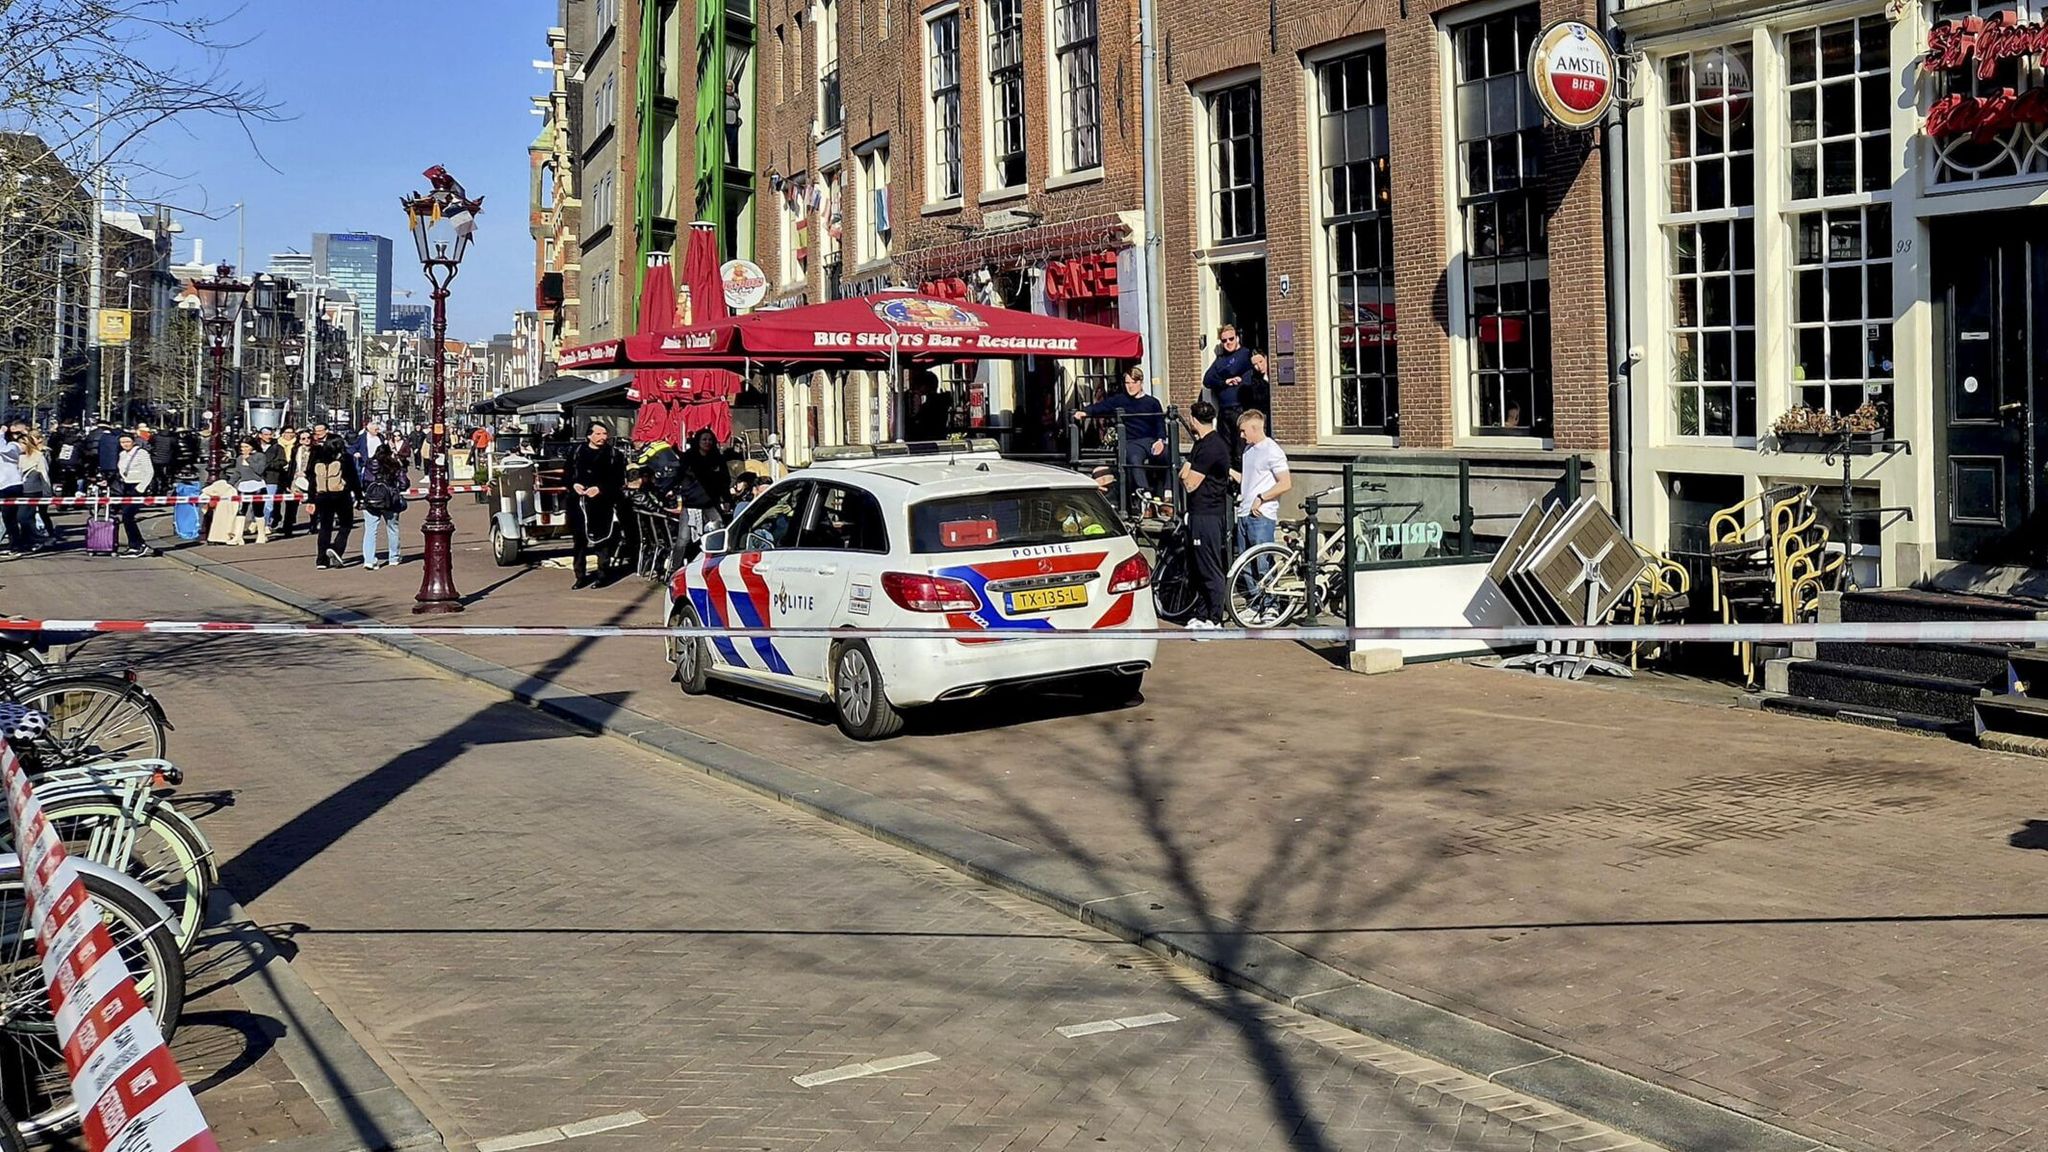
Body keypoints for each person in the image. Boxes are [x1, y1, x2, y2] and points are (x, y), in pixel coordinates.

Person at [1072, 365, 1167, 516]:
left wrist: (1161, 440)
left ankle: (1166, 497)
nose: (1130, 387)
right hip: (1132, 441)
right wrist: (1085, 412)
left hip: (1151, 441)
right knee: (1134, 458)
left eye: (1133, 383)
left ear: (1141, 382)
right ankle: (1146, 499)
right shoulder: (1120, 400)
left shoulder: (1152, 402)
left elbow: (1159, 422)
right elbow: (1102, 406)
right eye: (1127, 383)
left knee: (1169, 457)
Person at [1231, 410, 1291, 620]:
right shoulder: (1248, 450)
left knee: (1262, 561)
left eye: (1244, 431)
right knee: (1244, 562)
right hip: (1244, 512)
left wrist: (1262, 498)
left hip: (1261, 514)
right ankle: (1256, 603)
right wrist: (1227, 470)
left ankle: (1272, 605)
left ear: (1255, 428)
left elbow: (1285, 483)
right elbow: (1248, 480)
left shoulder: (1272, 451)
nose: (1241, 436)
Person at [1177, 401, 1232, 632]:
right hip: (1198, 513)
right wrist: (1187, 473)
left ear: (1193, 420)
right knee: (1197, 567)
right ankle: (1201, 613)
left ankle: (1215, 618)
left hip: (1208, 514)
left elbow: (1188, 483)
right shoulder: (1200, 444)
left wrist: (1187, 474)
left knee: (1209, 567)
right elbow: (1184, 473)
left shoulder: (1212, 447)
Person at [565, 422, 624, 588]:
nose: (602, 437)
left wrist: (600, 489)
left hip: (602, 503)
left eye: (604, 434)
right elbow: (567, 475)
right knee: (579, 542)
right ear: (589, 435)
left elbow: (619, 480)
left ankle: (602, 575)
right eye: (598, 434)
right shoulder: (576, 452)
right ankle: (580, 576)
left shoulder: (615, 455)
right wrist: (574, 485)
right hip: (579, 503)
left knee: (603, 540)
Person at [307, 428, 359, 569]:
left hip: (322, 496)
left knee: (325, 527)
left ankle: (321, 560)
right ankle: (336, 549)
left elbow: (312, 480)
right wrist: (359, 496)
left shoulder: (317, 457)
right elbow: (353, 478)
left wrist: (311, 499)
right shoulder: (345, 458)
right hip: (341, 495)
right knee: (346, 524)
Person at [1202, 324, 1253, 464]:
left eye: (1231, 339)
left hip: (1240, 409)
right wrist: (1225, 382)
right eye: (1224, 341)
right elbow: (1207, 380)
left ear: (1237, 338)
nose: (1228, 343)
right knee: (1225, 451)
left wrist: (1224, 372)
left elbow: (1237, 368)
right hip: (1224, 412)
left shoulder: (1246, 354)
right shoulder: (1220, 360)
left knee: (1241, 450)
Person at [358, 443, 408, 570]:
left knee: (370, 530)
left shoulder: (368, 464)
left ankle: (369, 560)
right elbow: (404, 483)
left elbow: (363, 481)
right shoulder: (394, 464)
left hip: (371, 499)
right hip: (390, 499)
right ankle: (394, 557)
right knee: (392, 528)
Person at [114, 431, 155, 557]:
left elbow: (149, 471)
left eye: (127, 441)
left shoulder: (141, 453)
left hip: (137, 486)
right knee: (126, 517)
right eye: (122, 442)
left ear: (133, 441)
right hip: (126, 486)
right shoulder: (122, 454)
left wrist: (140, 488)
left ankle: (138, 545)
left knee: (128, 515)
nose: (125, 444)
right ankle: (134, 544)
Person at [223, 439, 271, 545]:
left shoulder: (260, 456)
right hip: (244, 486)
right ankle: (238, 536)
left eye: (246, 447)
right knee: (241, 511)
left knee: (258, 511)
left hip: (257, 485)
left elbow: (260, 470)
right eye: (242, 447)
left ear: (252, 447)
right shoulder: (239, 458)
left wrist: (249, 459)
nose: (244, 449)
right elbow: (237, 473)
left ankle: (262, 535)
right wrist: (229, 484)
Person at [18, 430, 54, 548]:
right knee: (26, 517)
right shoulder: (18, 456)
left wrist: (47, 493)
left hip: (35, 490)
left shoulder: (39, 456)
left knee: (32, 515)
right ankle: (27, 539)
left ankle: (45, 536)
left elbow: (44, 474)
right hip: (21, 489)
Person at [277, 426, 310, 538]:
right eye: (303, 438)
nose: (306, 440)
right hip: (295, 480)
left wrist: (307, 473)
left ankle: (313, 525)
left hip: (309, 479)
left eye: (308, 438)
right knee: (291, 503)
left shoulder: (316, 450)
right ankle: (288, 527)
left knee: (312, 502)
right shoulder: (296, 450)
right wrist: (288, 481)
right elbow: (292, 465)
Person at [0, 421, 26, 554]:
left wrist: (1, 433)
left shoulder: (13, 446)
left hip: (11, 485)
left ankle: (16, 544)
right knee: (7, 518)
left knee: (9, 518)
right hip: (2, 484)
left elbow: (3, 450)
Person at [906, 370, 954, 440]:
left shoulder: (931, 405)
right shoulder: (939, 403)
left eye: (918, 386)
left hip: (928, 440)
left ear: (925, 386)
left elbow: (920, 425)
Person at [255, 427, 286, 528]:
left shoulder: (278, 447)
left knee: (269, 502)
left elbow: (282, 461)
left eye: (270, 434)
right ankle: (256, 523)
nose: (268, 436)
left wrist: (268, 465)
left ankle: (266, 524)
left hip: (272, 477)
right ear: (260, 435)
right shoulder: (255, 447)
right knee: (255, 502)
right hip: (256, 478)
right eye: (266, 434)